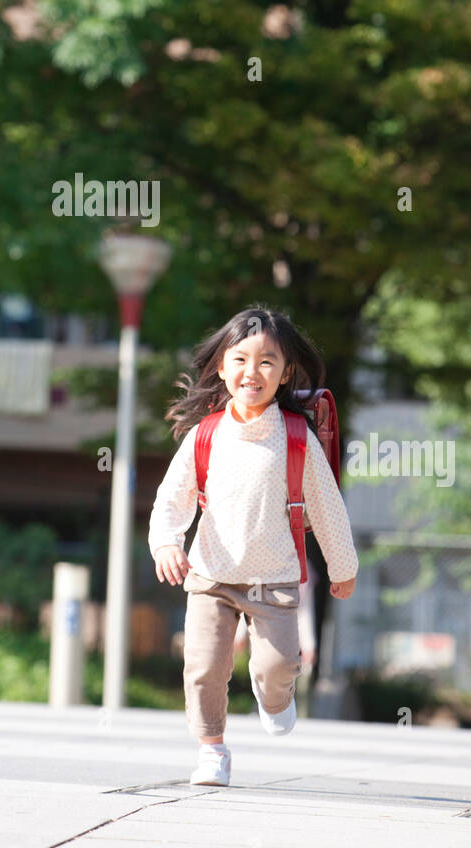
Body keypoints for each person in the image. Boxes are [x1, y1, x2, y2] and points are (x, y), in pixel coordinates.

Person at [148, 305, 358, 787]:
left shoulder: (296, 436)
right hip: (210, 574)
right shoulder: (206, 434)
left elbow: (327, 506)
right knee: (202, 668)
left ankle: (275, 696)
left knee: (279, 664)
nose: (252, 371)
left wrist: (343, 566)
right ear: (221, 368)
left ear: (285, 373)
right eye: (240, 359)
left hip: (275, 576)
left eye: (268, 361)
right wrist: (165, 542)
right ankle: (211, 751)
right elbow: (171, 497)